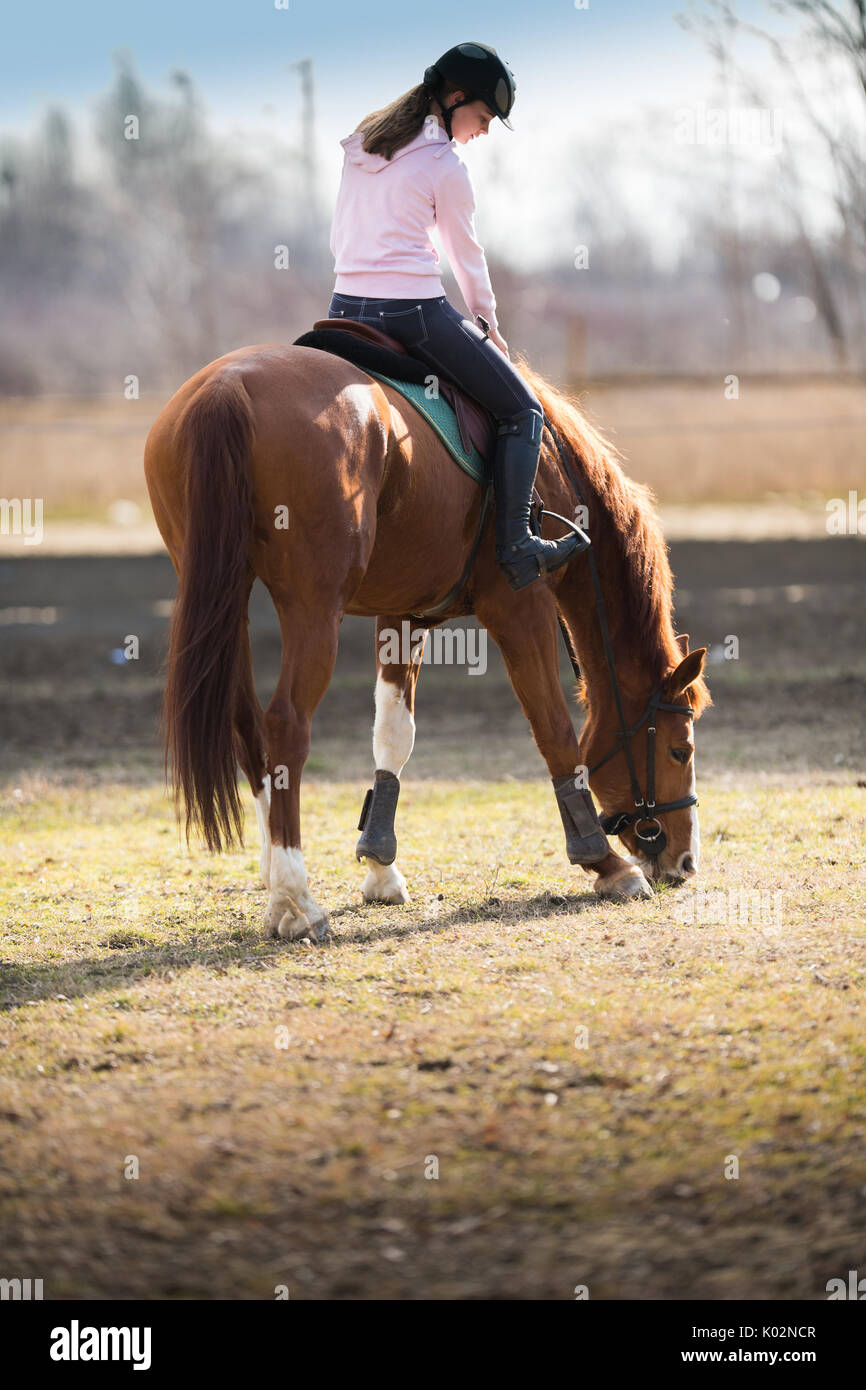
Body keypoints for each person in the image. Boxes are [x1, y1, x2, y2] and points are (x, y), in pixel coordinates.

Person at [327, 41, 581, 591]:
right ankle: (516, 546)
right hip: (411, 314)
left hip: (342, 307)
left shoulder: (362, 144)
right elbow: (467, 258)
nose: (485, 131)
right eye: (485, 117)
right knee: (523, 410)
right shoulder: (445, 166)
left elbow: (339, 235)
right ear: (456, 97)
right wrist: (488, 326)